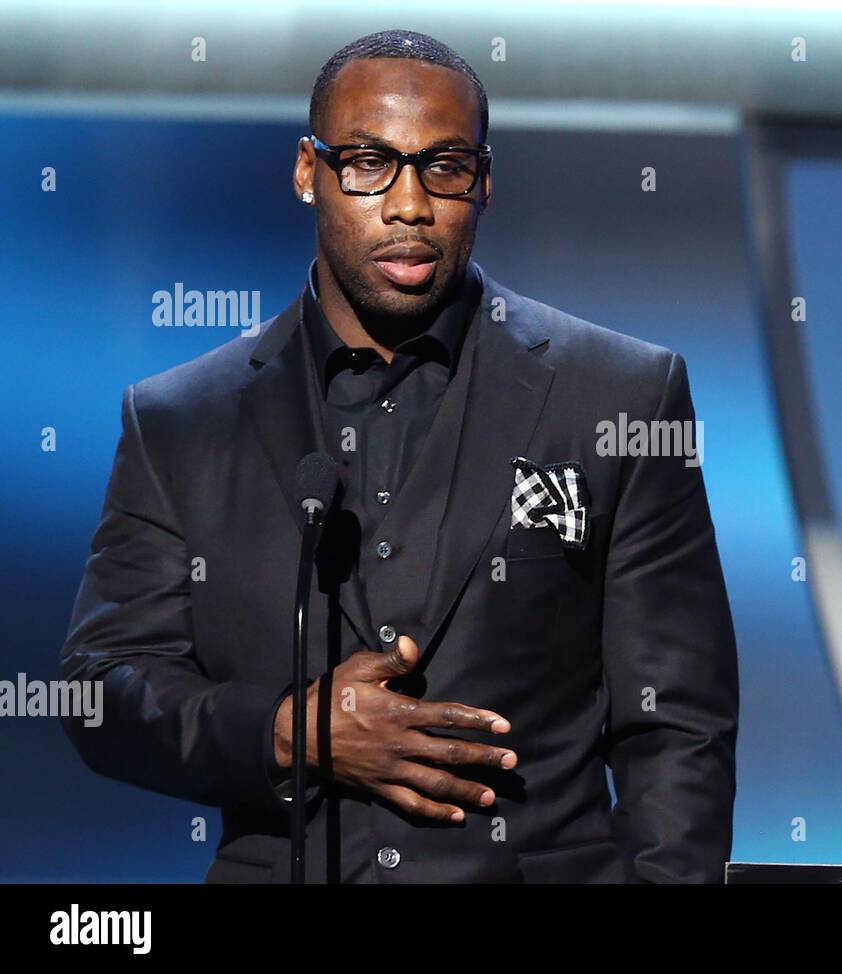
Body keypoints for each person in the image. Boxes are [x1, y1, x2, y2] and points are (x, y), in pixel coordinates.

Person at [59, 29, 739, 884]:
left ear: (484, 181)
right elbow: (103, 692)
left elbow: (678, 725)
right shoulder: (181, 420)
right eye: (369, 163)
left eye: (445, 166)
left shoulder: (620, 396)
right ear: (310, 170)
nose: (410, 203)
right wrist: (287, 732)